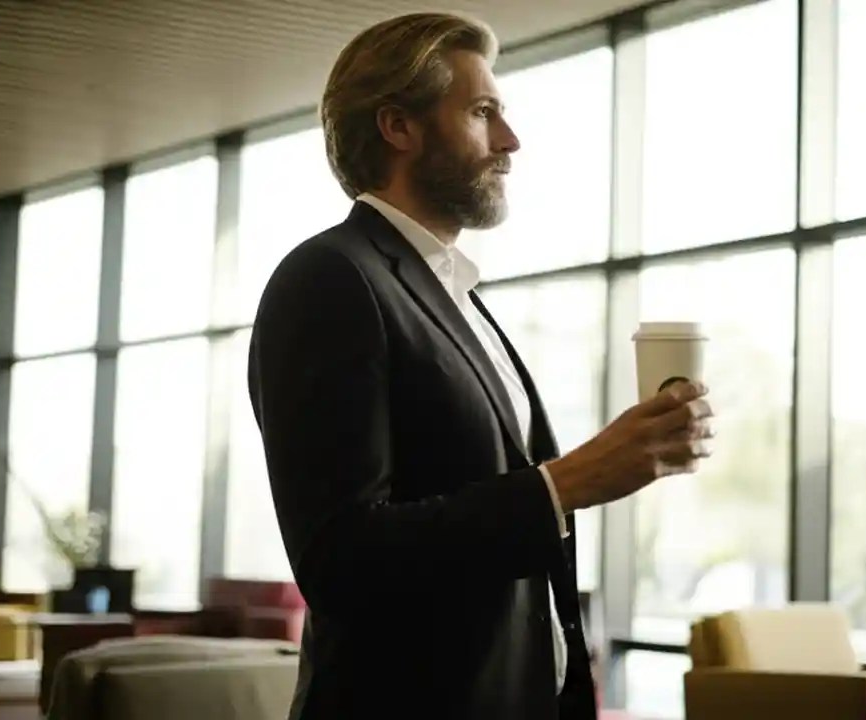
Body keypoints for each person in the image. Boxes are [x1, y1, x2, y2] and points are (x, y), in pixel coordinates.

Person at [247, 12, 713, 720]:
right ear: (399, 127)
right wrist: (565, 484)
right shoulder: (329, 278)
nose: (511, 140)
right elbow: (340, 559)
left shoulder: (460, 295)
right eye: (482, 112)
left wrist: (616, 462)